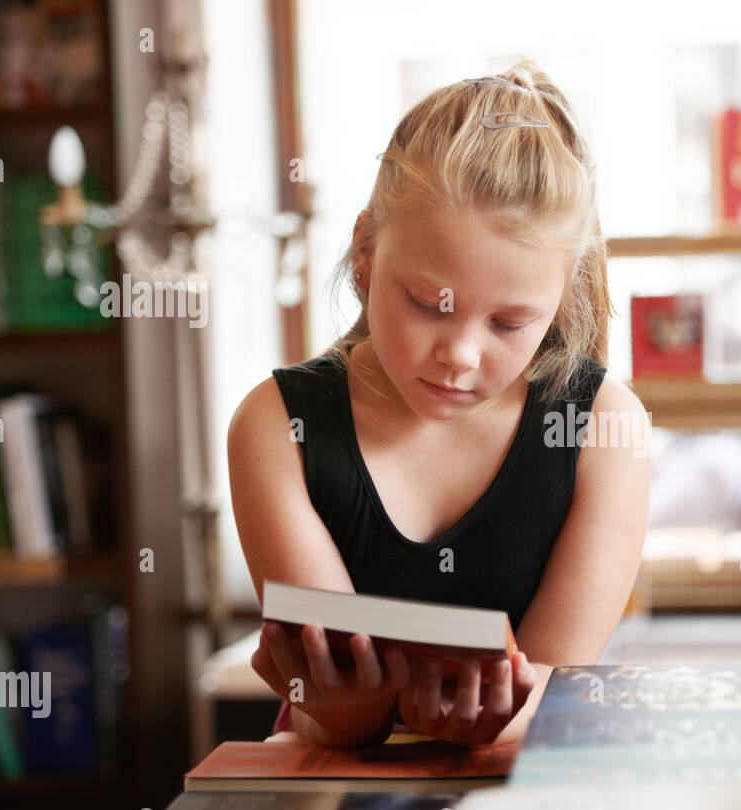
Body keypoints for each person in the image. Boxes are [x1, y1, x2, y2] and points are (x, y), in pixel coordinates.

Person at [227, 62, 649, 750]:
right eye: (428, 305)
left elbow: (555, 686)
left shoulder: (604, 426)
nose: (460, 354)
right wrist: (343, 706)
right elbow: (330, 707)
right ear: (364, 254)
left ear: (558, 302)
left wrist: (506, 706)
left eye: (509, 324)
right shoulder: (277, 424)